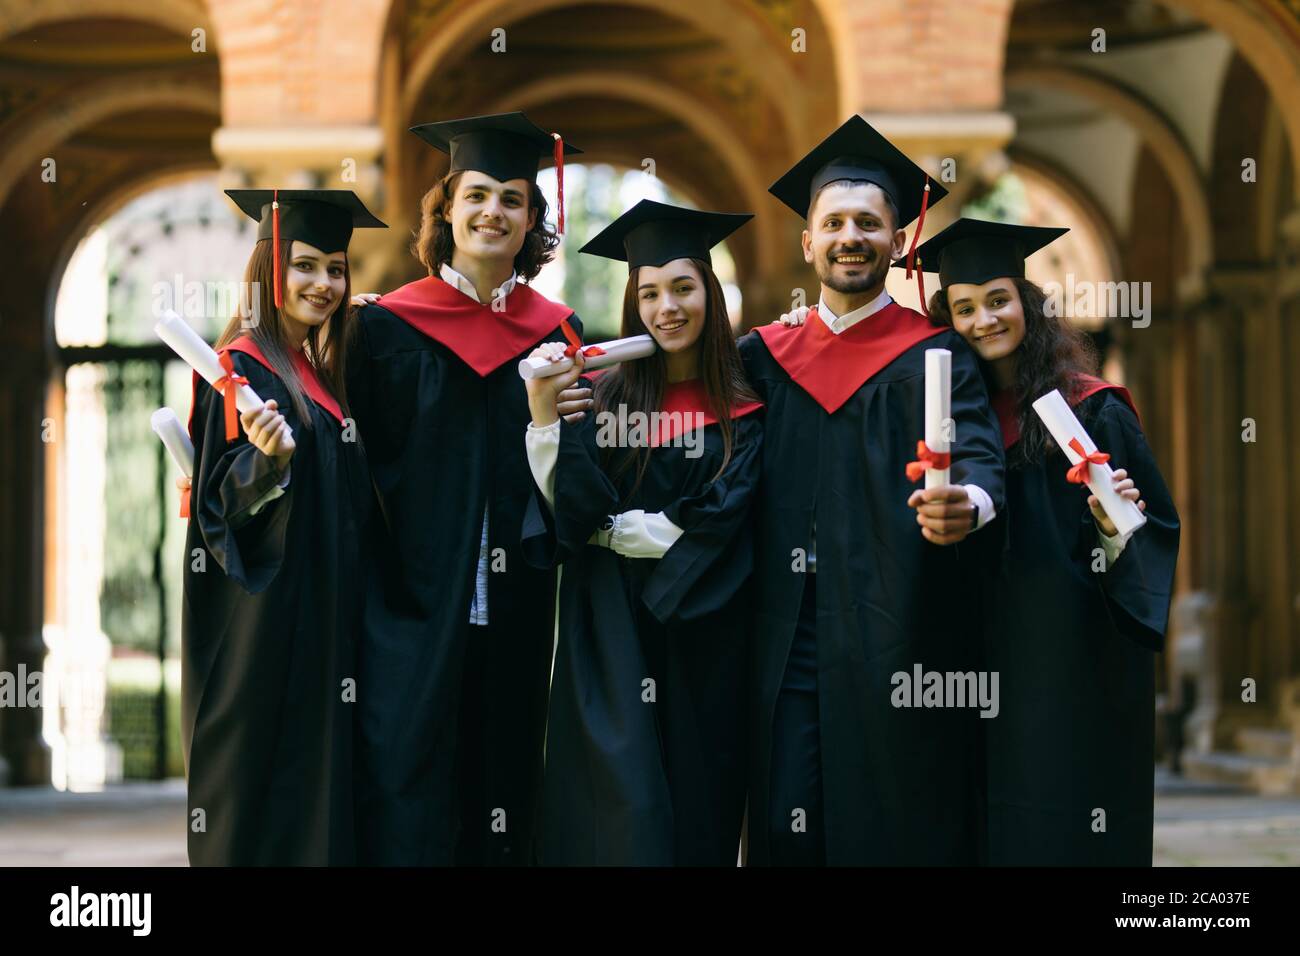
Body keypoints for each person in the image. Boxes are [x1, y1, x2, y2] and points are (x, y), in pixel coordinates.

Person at [738, 115, 1006, 865]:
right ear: (808, 243)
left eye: (868, 223)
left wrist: (970, 506)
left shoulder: (936, 353)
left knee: (896, 811)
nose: (849, 236)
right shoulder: (763, 354)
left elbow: (980, 457)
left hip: (898, 621)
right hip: (785, 627)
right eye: (834, 223)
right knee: (790, 808)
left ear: (898, 241)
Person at [345, 112, 586, 865]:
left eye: (513, 200)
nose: (494, 212)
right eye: (478, 194)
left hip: (517, 605)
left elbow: (579, 475)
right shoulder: (385, 329)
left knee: (506, 780)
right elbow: (348, 468)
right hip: (408, 604)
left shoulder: (560, 333)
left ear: (531, 222)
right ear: (446, 208)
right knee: (408, 779)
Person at [904, 217, 1180, 865]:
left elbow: (1151, 532)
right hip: (969, 661)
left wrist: (1113, 530)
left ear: (1027, 302)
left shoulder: (1091, 411)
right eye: (965, 309)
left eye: (998, 301)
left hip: (1070, 659)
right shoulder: (942, 428)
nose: (984, 321)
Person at [521, 200, 762, 865]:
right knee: (613, 811)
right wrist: (545, 420)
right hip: (609, 631)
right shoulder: (603, 398)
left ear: (710, 295)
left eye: (683, 288)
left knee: (697, 807)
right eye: (649, 293)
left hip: (704, 635)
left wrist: (619, 529)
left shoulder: (746, 405)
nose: (667, 308)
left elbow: (728, 515)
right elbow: (565, 512)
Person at [181, 188, 385, 865]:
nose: (323, 283)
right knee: (272, 804)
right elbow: (218, 509)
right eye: (304, 266)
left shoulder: (315, 370)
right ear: (270, 270)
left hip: (325, 624)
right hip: (271, 634)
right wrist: (265, 466)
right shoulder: (241, 368)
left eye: (335, 268)